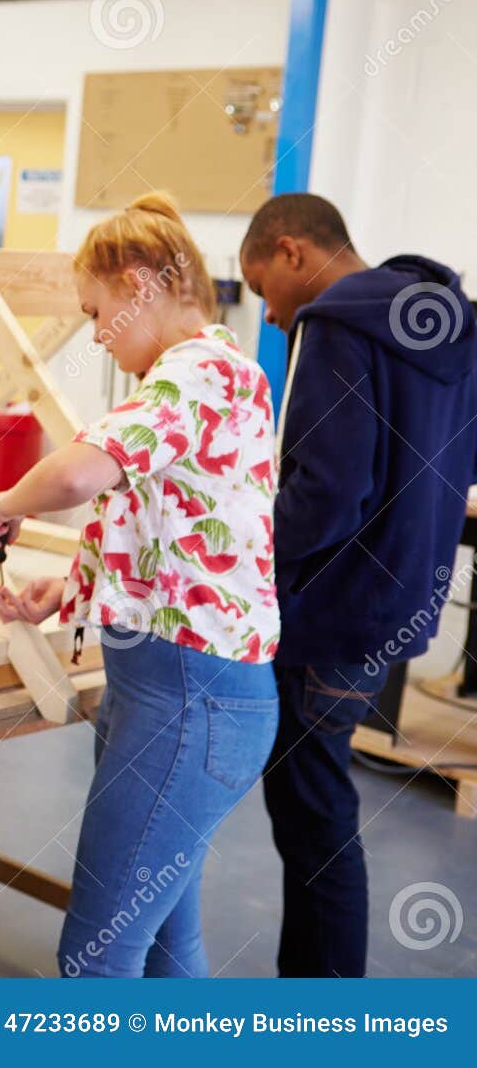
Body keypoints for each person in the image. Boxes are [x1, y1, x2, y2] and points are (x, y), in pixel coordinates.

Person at [0, 193, 280, 978]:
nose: (101, 339)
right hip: (168, 691)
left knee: (97, 954)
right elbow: (155, 527)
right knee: (164, 940)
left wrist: (3, 500)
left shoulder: (204, 372)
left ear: (141, 285)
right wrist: (62, 594)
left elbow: (80, 470)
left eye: (99, 313)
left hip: (191, 698)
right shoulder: (184, 381)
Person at [240, 193, 477, 977]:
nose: (270, 316)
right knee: (322, 812)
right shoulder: (450, 322)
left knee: (314, 825)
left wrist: (249, 562)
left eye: (261, 286)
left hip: (330, 616)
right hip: (400, 606)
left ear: (292, 253)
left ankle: (323, 1012)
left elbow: (328, 493)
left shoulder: (335, 324)